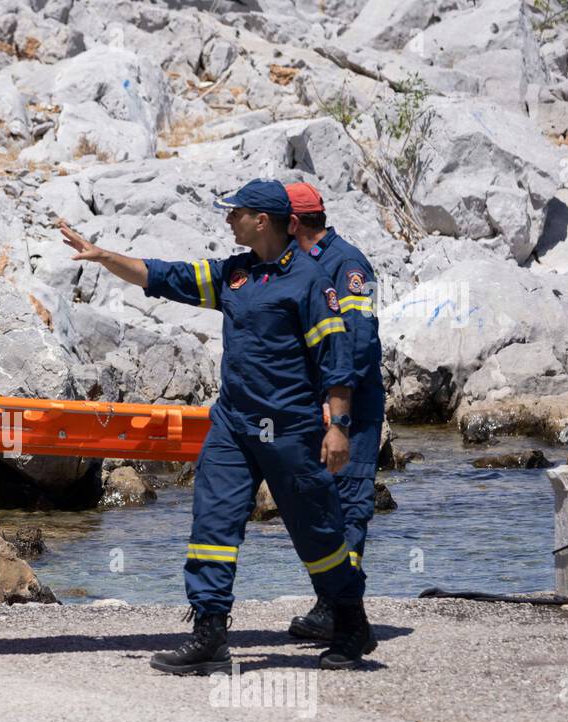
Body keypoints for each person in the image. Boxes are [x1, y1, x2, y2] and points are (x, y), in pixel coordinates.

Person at [60, 178, 372, 672]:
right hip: (233, 424)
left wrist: (339, 427)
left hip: (289, 429)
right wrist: (103, 256)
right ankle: (209, 632)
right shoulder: (235, 274)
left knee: (315, 529)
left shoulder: (311, 280)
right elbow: (163, 276)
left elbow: (337, 360)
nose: (228, 218)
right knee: (211, 523)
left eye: (235, 212)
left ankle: (351, 621)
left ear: (261, 220)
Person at [284, 183, 385, 648]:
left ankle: (340, 610)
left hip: (352, 404)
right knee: (320, 499)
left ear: (294, 223)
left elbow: (358, 340)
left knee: (349, 500)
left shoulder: (346, 264)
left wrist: (336, 402)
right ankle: (334, 601)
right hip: (317, 403)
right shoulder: (299, 264)